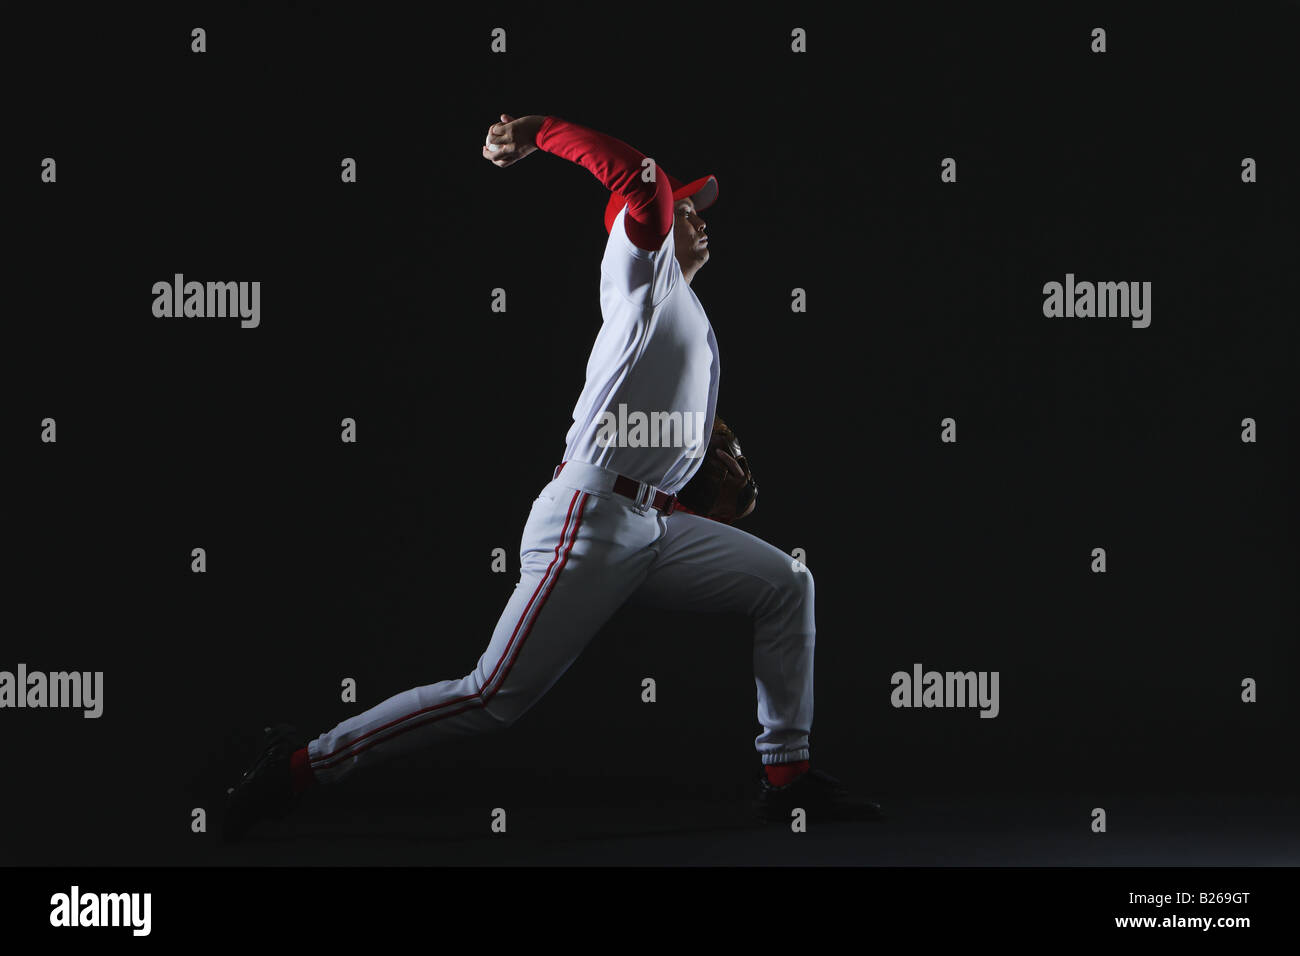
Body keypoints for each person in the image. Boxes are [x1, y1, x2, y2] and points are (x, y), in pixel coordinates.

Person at [222, 113, 881, 843]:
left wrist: (690, 471)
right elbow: (644, 181)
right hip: (590, 516)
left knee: (786, 583)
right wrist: (539, 130)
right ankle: (296, 767)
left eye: (698, 208)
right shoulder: (640, 270)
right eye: (685, 207)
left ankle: (786, 778)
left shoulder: (686, 306)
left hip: (652, 523)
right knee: (491, 695)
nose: (694, 215)